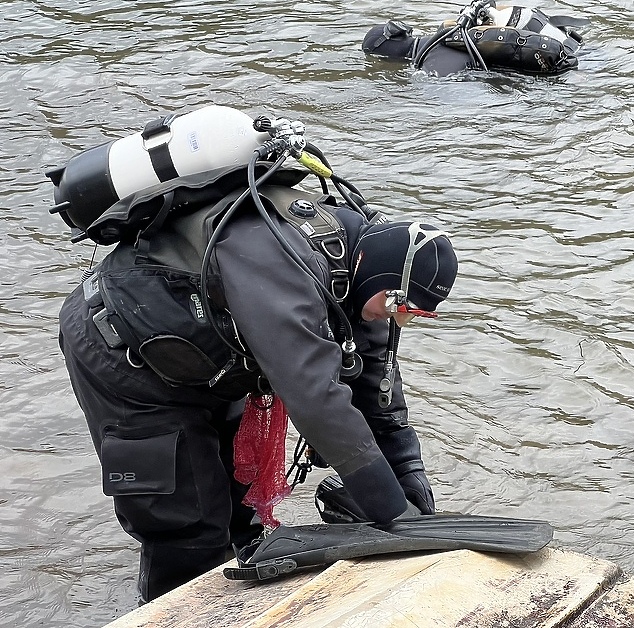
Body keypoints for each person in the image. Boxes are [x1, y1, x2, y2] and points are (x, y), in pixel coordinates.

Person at [54, 124, 458, 603]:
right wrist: (393, 515)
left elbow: (373, 380)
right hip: (121, 357)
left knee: (237, 510)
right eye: (401, 309)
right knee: (188, 526)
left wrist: (408, 474)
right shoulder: (280, 256)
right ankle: (170, 608)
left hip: (201, 357)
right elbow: (313, 394)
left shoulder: (361, 278)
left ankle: (238, 598)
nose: (398, 321)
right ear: (388, 282)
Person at [362, 1, 583, 77]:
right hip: (576, 50)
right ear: (404, 34)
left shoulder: (431, 70)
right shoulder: (449, 31)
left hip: (558, 77)